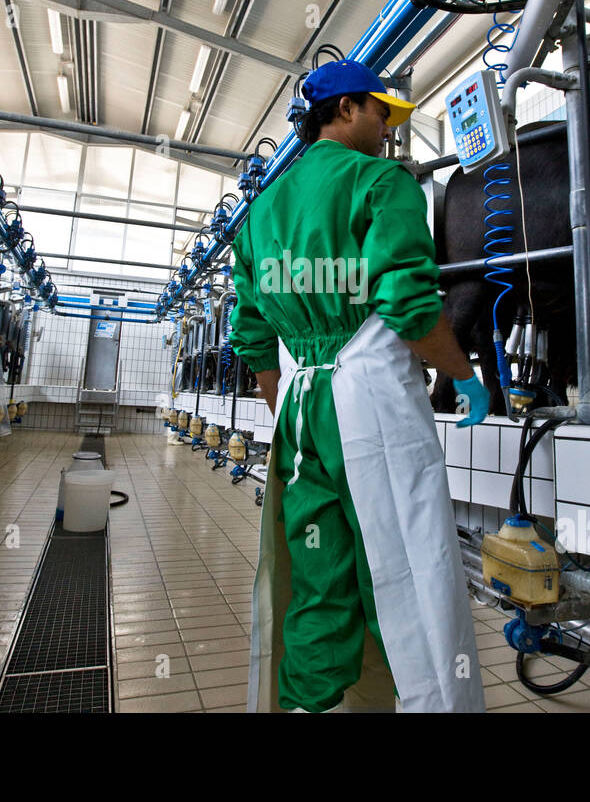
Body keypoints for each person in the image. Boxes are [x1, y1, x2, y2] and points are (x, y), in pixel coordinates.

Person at [229, 58, 491, 713]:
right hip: (373, 404)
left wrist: (292, 410)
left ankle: (306, 705)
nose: (387, 130)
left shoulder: (261, 213)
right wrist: (465, 376)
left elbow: (254, 337)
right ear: (345, 108)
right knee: (409, 563)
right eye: (380, 113)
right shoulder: (381, 182)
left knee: (318, 575)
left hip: (300, 412)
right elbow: (409, 307)